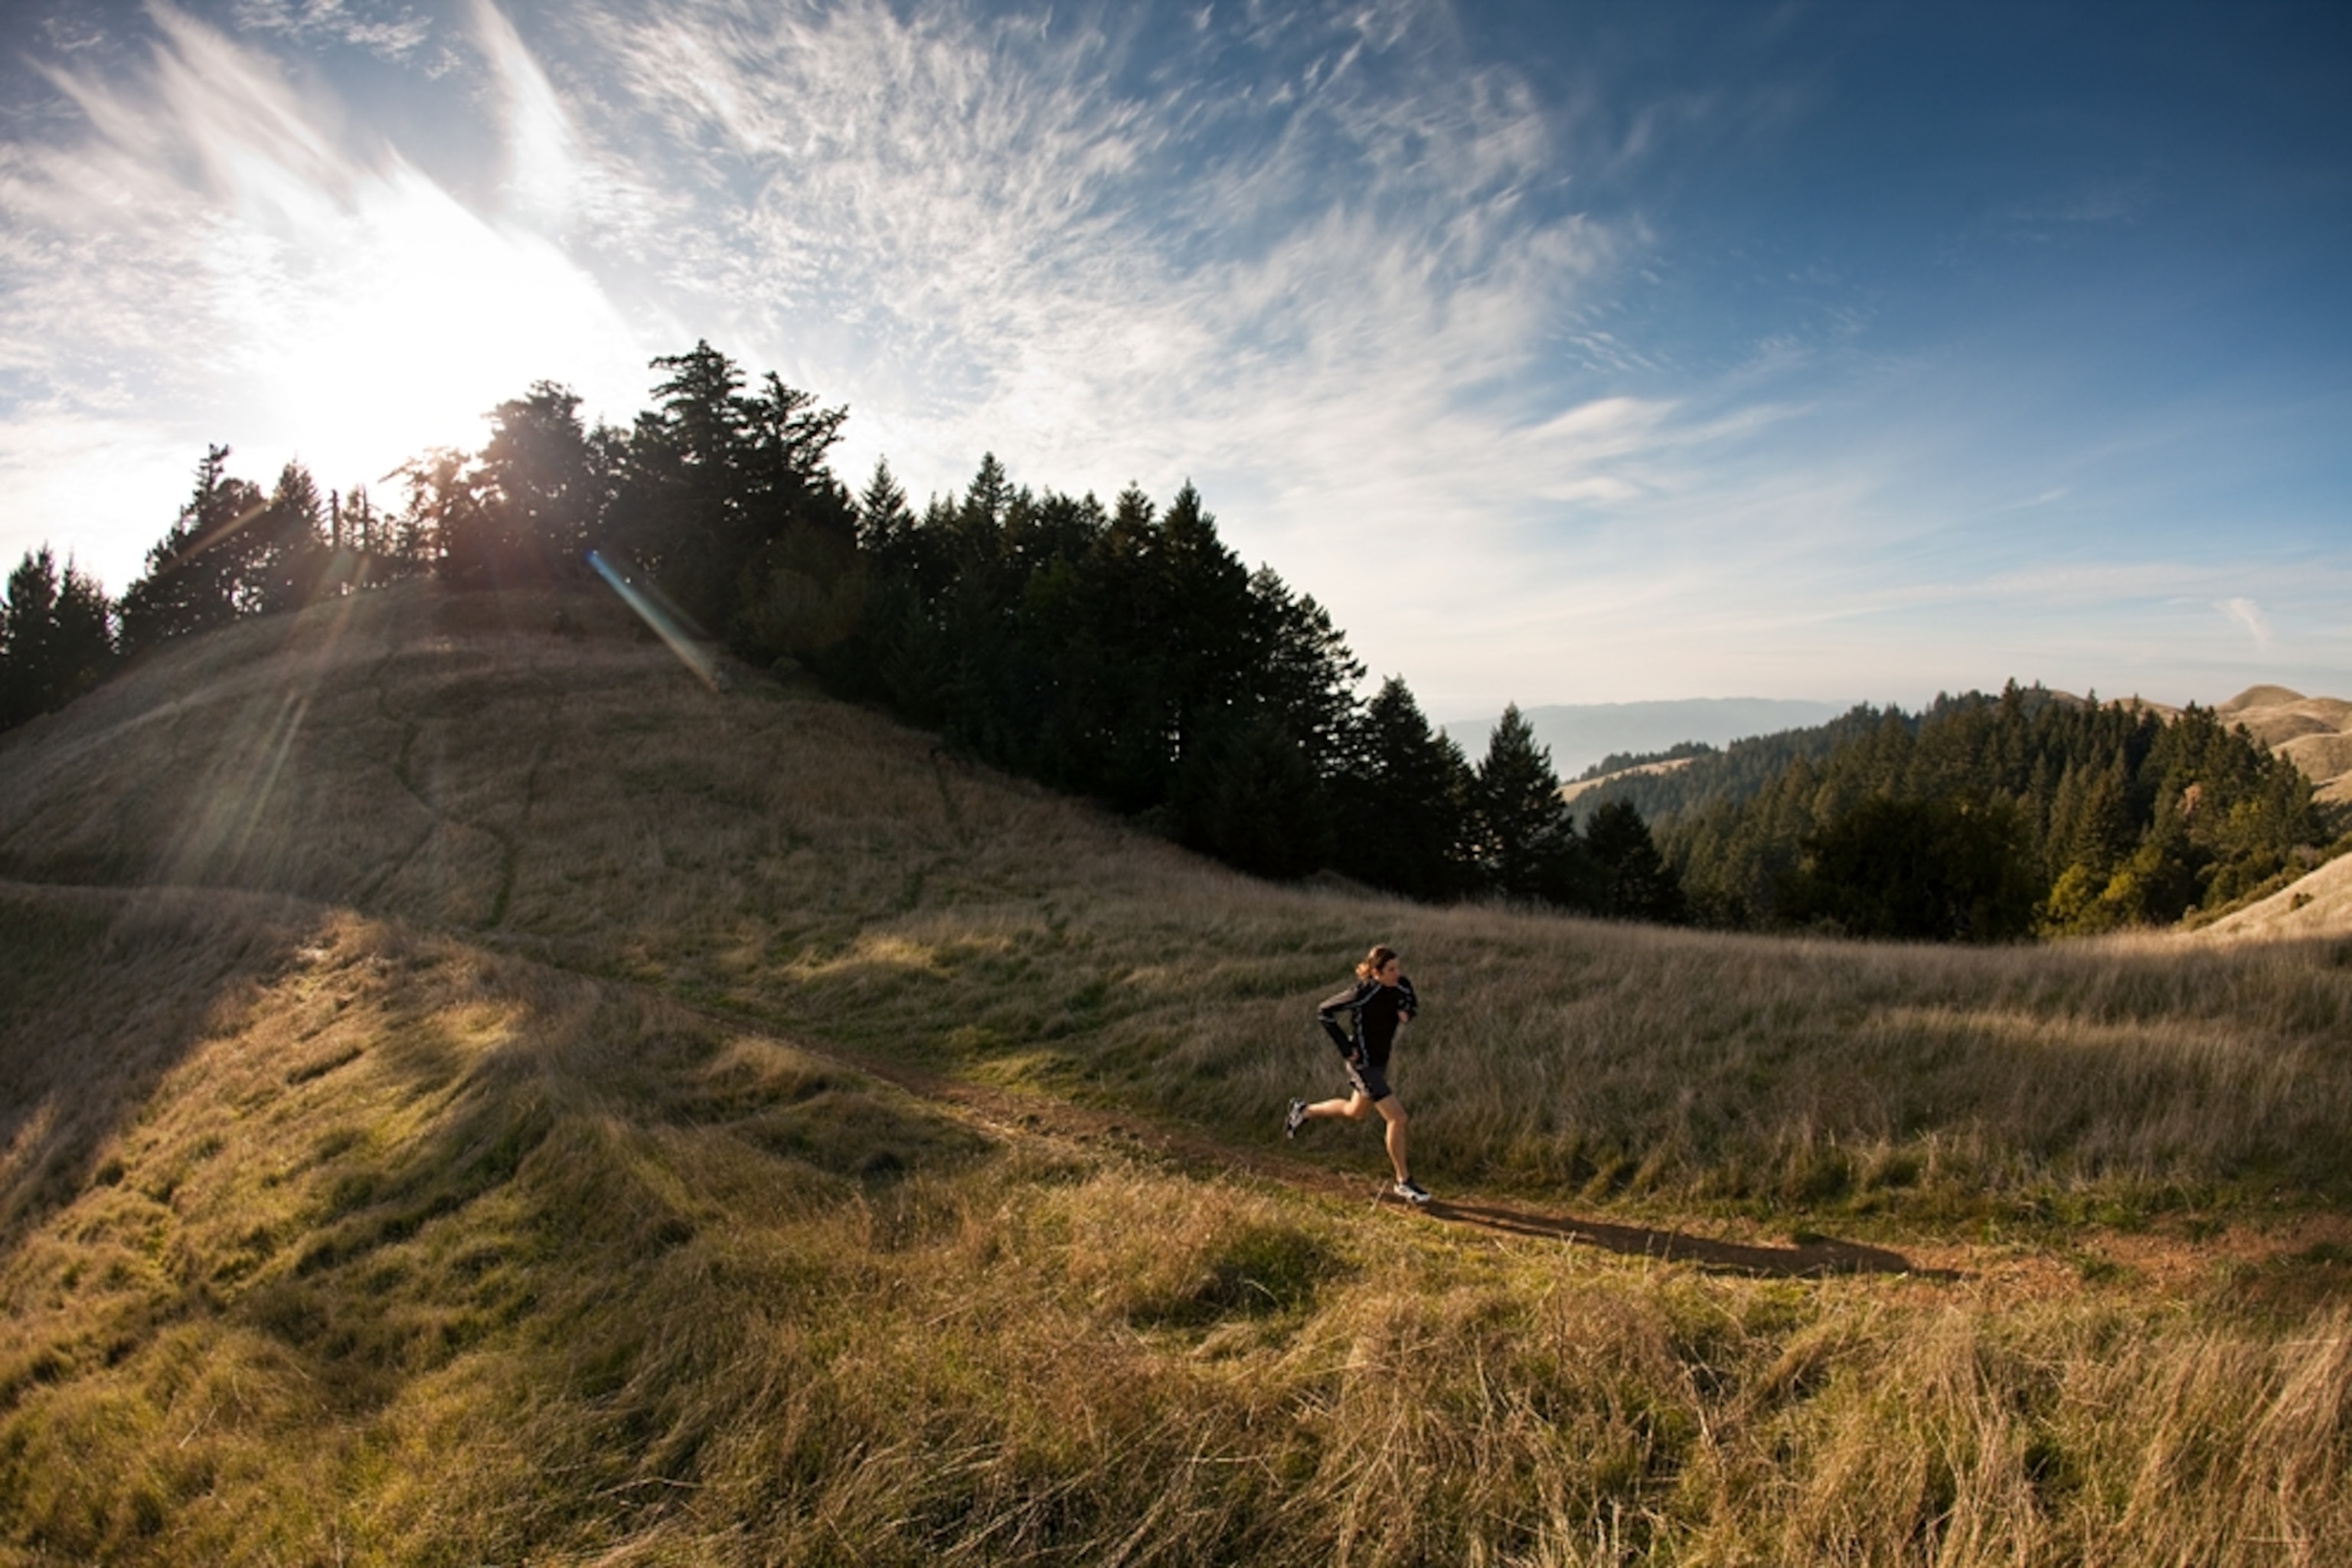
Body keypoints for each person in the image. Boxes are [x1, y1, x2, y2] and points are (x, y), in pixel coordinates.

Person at [1285, 944, 1430, 1204]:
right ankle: (1404, 1182)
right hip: (1362, 1063)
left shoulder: (1402, 985)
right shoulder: (1362, 993)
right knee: (1398, 1118)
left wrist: (1407, 1012)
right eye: (1391, 970)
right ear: (1375, 972)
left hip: (1379, 1062)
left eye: (1398, 967)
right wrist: (1345, 1047)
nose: (1398, 973)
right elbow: (1324, 1011)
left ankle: (1303, 1111)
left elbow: (1411, 1001)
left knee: (1356, 1112)